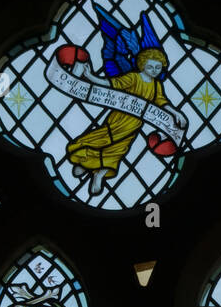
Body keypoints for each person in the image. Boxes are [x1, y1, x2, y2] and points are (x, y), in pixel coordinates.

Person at [66, 47, 185, 196]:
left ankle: (99, 174)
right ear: (142, 65)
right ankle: (86, 162)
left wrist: (176, 113)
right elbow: (111, 83)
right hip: (118, 120)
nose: (154, 70)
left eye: (158, 67)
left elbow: (161, 101)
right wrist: (90, 77)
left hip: (134, 126)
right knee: (100, 140)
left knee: (118, 150)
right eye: (150, 66)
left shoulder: (156, 85)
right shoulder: (133, 78)